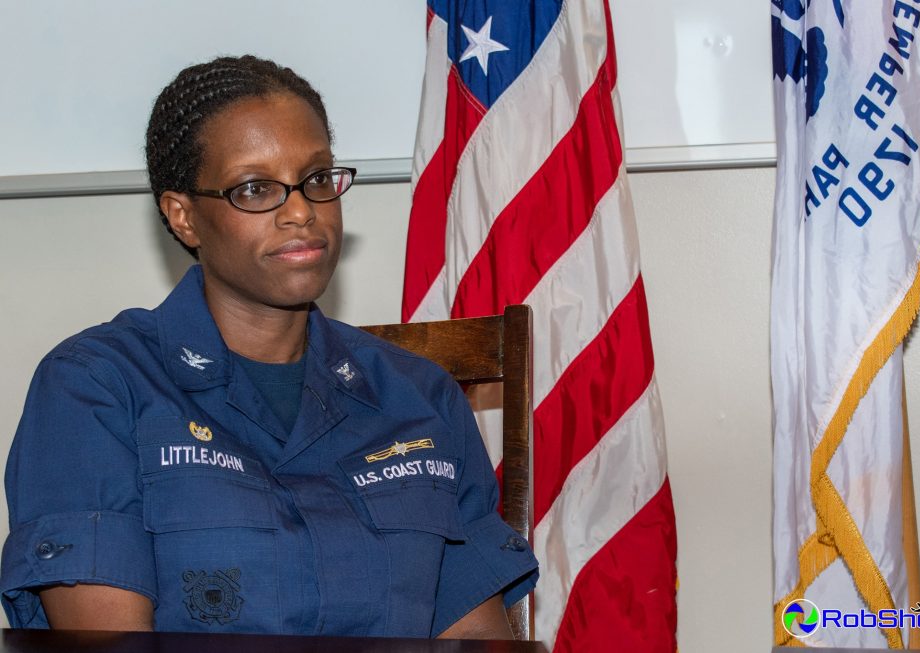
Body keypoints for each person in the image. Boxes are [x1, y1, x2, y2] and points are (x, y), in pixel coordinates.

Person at [0, 55, 537, 638]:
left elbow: (475, 636)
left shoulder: (421, 396)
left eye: (317, 179)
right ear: (183, 217)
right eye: (255, 189)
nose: (302, 211)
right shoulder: (97, 387)